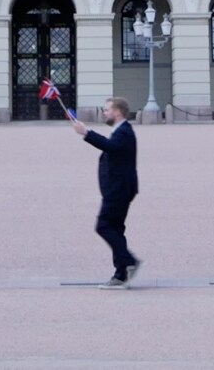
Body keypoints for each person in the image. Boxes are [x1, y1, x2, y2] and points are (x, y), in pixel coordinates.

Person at [71, 97, 141, 289]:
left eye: (107, 110)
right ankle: (121, 274)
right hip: (118, 188)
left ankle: (128, 262)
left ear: (118, 111)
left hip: (118, 190)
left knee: (103, 226)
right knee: (116, 229)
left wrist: (86, 133)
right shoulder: (121, 131)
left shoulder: (124, 132)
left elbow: (111, 147)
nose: (104, 113)